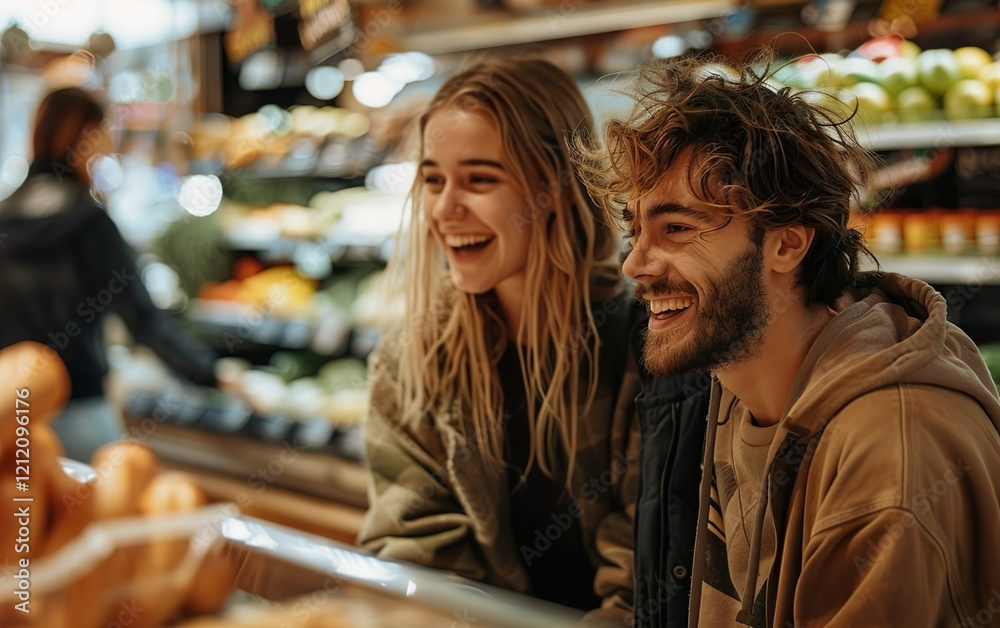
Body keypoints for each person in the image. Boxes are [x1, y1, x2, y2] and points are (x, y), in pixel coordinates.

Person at [579, 53, 1000, 627]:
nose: (635, 265)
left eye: (677, 228)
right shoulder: (738, 375)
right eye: (636, 230)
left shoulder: (892, 458)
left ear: (787, 245)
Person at [357, 57, 651, 622]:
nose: (444, 209)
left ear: (558, 186)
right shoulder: (411, 361)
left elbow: (647, 579)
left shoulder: (647, 348)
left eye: (480, 179)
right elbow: (416, 556)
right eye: (433, 179)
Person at [0, 87, 219, 462]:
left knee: (23, 518)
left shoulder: (4, 215)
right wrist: (209, 373)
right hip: (79, 408)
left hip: (10, 411)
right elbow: (140, 316)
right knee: (95, 510)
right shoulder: (88, 220)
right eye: (103, 132)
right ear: (85, 136)